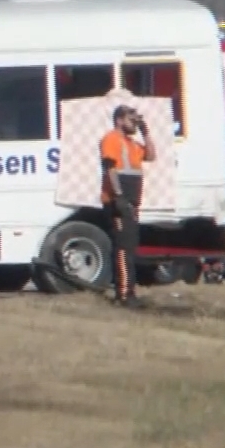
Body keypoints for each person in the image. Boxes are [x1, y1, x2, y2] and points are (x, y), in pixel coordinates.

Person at [100, 104, 154, 307]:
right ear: (119, 120)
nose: (135, 123)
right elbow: (110, 168)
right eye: (132, 119)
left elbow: (151, 156)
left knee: (130, 247)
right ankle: (123, 294)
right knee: (122, 248)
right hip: (118, 201)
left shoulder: (131, 143)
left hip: (132, 202)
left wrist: (146, 132)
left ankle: (130, 290)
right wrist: (119, 196)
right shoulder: (111, 139)